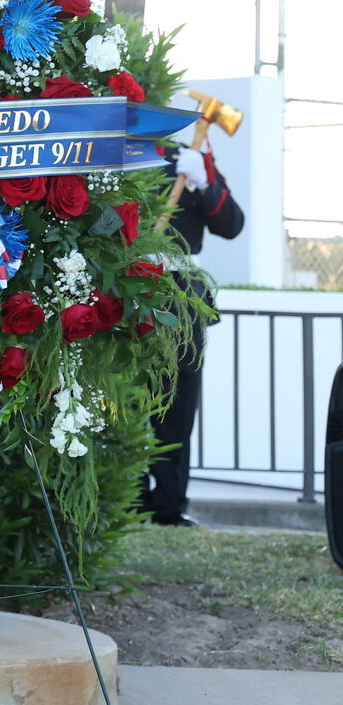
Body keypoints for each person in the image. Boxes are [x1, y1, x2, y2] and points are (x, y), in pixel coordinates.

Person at [142, 140, 245, 527]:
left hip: (181, 293)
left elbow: (231, 225)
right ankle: (128, 498)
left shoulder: (191, 158)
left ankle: (169, 504)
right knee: (124, 400)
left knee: (177, 403)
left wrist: (205, 182)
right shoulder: (121, 149)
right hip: (126, 283)